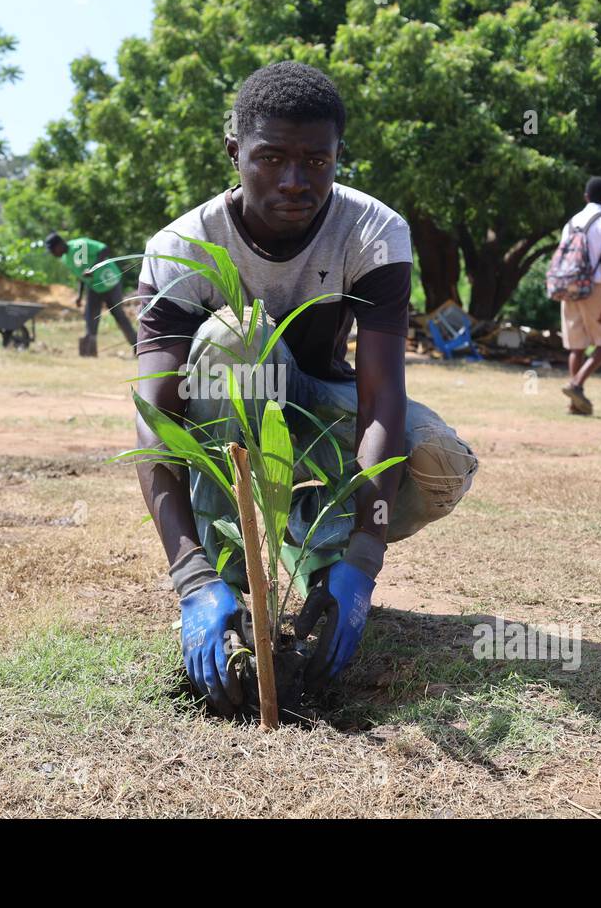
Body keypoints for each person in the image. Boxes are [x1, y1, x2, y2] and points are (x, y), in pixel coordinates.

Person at [133, 61, 478, 714]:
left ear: (338, 156)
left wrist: (364, 561)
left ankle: (324, 574)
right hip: (230, 426)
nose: (295, 182)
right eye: (270, 158)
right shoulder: (185, 247)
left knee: (438, 463)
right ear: (234, 150)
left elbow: (381, 400)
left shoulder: (373, 230)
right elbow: (158, 424)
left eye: (317, 162)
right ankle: (232, 596)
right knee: (238, 339)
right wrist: (191, 578)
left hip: (321, 407)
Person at [558, 177, 601, 415]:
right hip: (594, 287)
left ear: (585, 196)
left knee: (577, 346)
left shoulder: (573, 221)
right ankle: (576, 385)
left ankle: (575, 404)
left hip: (570, 286)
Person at [45, 233, 138, 356]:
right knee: (91, 318)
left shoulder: (80, 245)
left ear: (60, 245)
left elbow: (104, 249)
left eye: (52, 250)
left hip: (109, 281)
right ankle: (90, 351)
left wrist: (93, 268)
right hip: (94, 287)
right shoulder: (65, 259)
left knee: (118, 315)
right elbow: (81, 275)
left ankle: (138, 347)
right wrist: (79, 295)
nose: (52, 254)